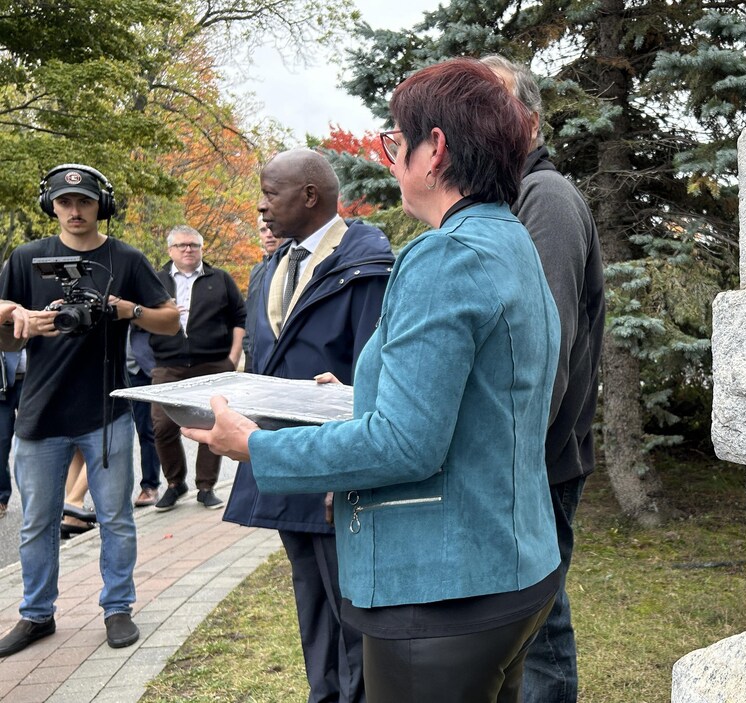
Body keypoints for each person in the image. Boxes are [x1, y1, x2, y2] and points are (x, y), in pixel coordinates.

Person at [188, 58, 562, 702]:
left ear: (434, 150)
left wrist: (255, 446)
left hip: (441, 588)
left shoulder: (444, 255)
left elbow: (405, 445)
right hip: (512, 568)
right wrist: (361, 395)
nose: (390, 161)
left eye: (395, 142)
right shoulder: (509, 239)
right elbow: (488, 394)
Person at [222, 148, 392, 703]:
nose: (261, 206)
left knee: (352, 611)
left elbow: (372, 378)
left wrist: (347, 474)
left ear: (310, 195)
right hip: (282, 462)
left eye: (271, 194)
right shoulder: (268, 270)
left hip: (336, 469)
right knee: (311, 601)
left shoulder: (367, 270)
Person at [0, 163, 179, 657]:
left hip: (106, 415)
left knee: (116, 518)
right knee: (37, 523)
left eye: (84, 202)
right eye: (64, 202)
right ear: (50, 206)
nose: (74, 211)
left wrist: (128, 310)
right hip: (39, 415)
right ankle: (36, 615)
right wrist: (17, 314)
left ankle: (117, 608)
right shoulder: (26, 257)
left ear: (102, 206)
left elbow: (169, 322)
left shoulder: (126, 258)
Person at [482, 55, 606, 703]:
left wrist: (512, 457)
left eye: (493, 106)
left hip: (540, 457)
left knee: (541, 632)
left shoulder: (545, 197)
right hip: (525, 454)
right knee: (524, 622)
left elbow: (543, 348)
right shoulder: (506, 199)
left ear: (529, 121)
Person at [149, 225, 246, 511]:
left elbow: (240, 317)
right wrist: (148, 362)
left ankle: (206, 487)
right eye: (181, 245)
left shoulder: (220, 279)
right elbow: (139, 325)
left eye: (194, 245)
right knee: (162, 426)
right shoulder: (155, 281)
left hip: (213, 364)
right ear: (170, 250)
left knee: (212, 424)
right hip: (168, 366)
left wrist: (232, 358)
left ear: (202, 249)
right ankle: (175, 483)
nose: (188, 250)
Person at [126, 326, 162, 507]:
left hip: (142, 369)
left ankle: (150, 485)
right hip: (112, 370)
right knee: (110, 435)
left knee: (147, 431)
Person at [242, 216, 283, 372]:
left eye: (272, 228)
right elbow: (249, 312)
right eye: (263, 230)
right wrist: (246, 345)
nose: (269, 234)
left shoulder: (292, 266)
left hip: (276, 355)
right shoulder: (257, 270)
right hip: (252, 356)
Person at [0, 349, 24, 518]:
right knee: (0, 444)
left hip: (33, 381)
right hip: (2, 381)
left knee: (36, 445)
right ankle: (1, 496)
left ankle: (42, 503)